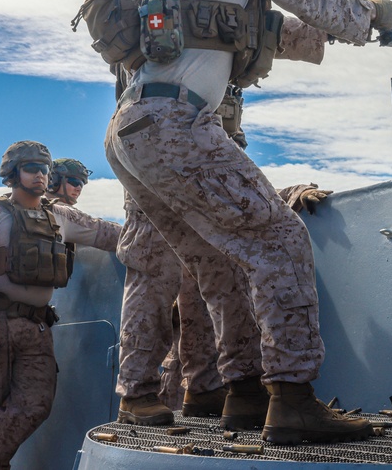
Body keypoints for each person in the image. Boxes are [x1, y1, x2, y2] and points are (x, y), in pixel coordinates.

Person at [102, 0, 392, 445]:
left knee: (215, 260)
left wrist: (334, 32)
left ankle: (242, 392)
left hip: (129, 131)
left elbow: (257, 32)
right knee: (279, 239)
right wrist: (369, 16)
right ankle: (292, 399)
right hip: (175, 123)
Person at [111, 86, 332, 429]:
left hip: (177, 141)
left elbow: (248, 190)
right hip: (172, 137)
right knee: (155, 273)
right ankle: (137, 393)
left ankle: (217, 387)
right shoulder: (178, 62)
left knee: (218, 269)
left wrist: (291, 191)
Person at [0, 141, 122, 470]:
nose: (40, 176)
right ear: (13, 174)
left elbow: (104, 233)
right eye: (31, 169)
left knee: (37, 404)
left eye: (44, 170)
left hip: (36, 328)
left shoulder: (60, 216)